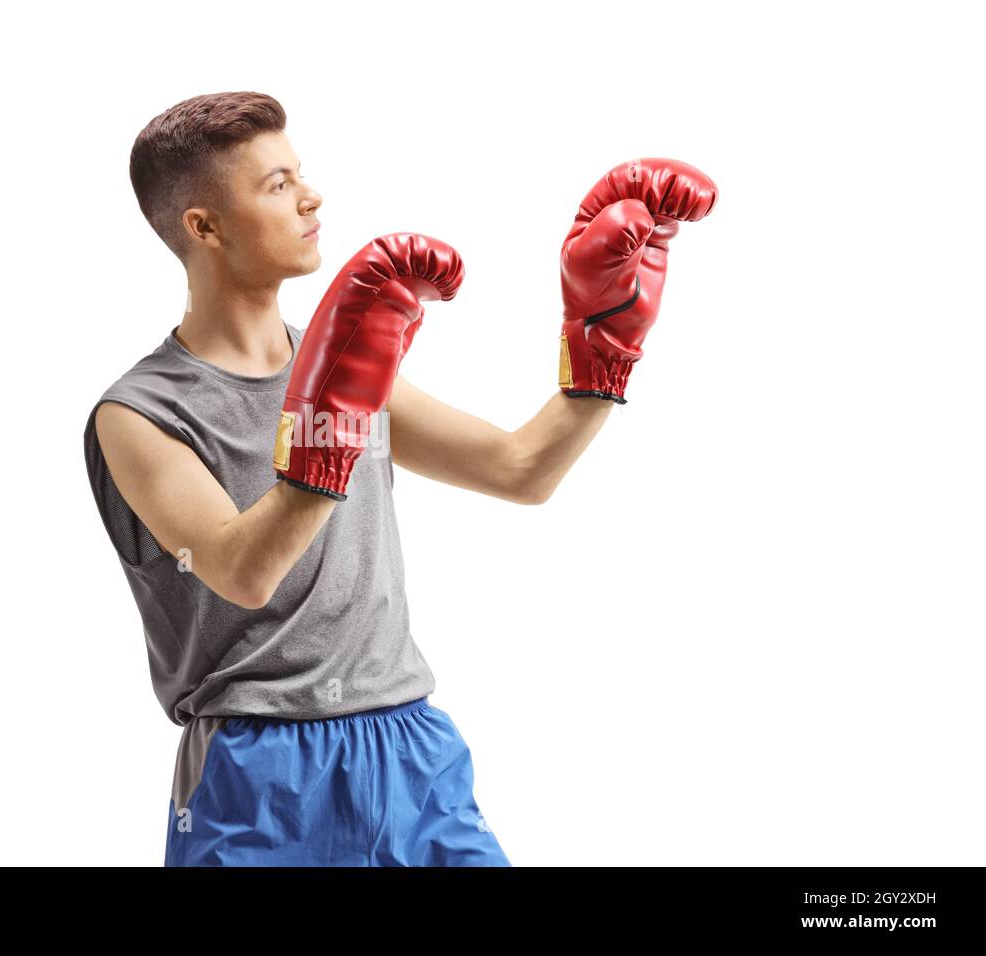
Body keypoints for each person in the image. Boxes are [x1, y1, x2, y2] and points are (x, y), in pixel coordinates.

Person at [83, 91, 716, 865]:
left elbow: (521, 470)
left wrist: (602, 349)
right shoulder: (139, 413)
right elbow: (242, 571)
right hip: (258, 771)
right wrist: (329, 430)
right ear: (204, 227)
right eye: (277, 184)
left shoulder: (346, 357)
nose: (311, 196)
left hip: (408, 745)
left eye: (300, 173)